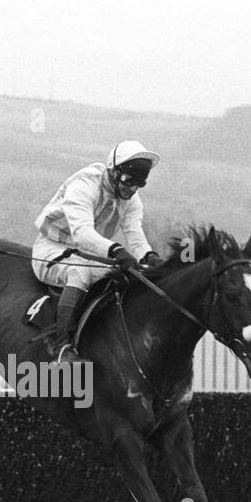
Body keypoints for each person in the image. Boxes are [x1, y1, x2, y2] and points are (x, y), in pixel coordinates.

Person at [32, 140, 164, 362]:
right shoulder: (85, 184)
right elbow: (82, 233)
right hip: (52, 248)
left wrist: (150, 257)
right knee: (80, 273)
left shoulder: (131, 200)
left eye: (139, 184)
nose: (132, 189)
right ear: (114, 171)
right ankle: (62, 346)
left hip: (89, 253)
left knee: (126, 278)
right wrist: (116, 250)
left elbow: (135, 234)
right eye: (129, 180)